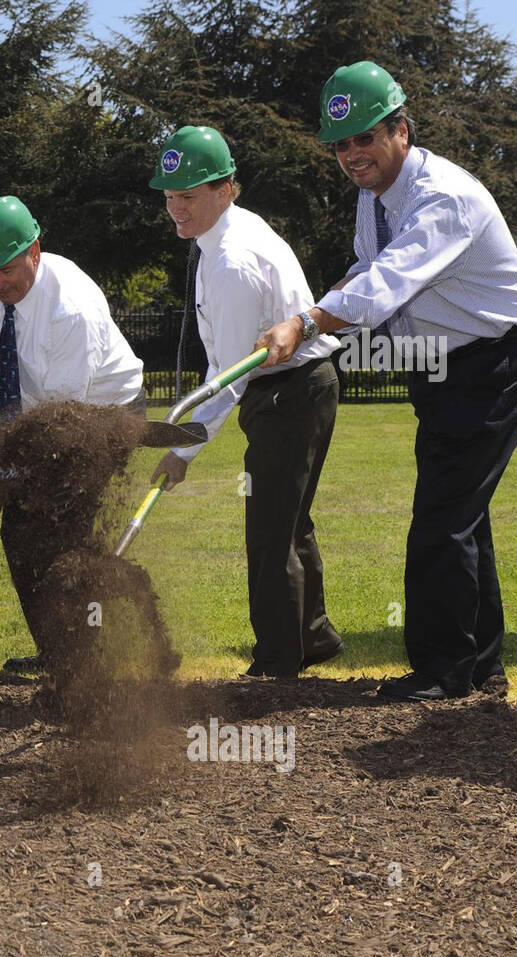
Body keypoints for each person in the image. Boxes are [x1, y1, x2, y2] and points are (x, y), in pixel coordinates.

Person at [257, 62, 517, 702]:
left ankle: (442, 673)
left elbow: (386, 286)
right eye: (339, 145)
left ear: (401, 130)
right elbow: (367, 268)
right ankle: (482, 667)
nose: (351, 155)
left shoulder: (442, 196)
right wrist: (303, 319)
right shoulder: (375, 198)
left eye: (364, 138)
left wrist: (302, 325)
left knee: (441, 519)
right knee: (461, 515)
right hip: (445, 370)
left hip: (494, 363)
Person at [151, 126, 344, 679]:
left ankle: (278, 662)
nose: (175, 210)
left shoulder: (232, 260)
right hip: (298, 387)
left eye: (187, 196)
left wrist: (182, 452)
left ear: (225, 189)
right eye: (169, 196)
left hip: (288, 392)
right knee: (289, 520)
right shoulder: (228, 234)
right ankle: (314, 637)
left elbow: (228, 376)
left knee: (269, 531)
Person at [0, 194, 146, 672]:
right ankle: (58, 652)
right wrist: (2, 466)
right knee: (20, 532)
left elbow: (62, 424)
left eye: (6, 268)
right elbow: (5, 370)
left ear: (35, 251)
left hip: (99, 414)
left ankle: (90, 656)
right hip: (37, 410)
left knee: (63, 527)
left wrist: (9, 475)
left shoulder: (71, 312)